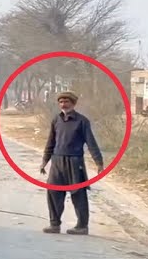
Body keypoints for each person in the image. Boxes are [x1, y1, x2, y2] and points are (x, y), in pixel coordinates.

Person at [39, 90, 104, 235]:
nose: (63, 104)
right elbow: (50, 142)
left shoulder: (82, 121)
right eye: (61, 102)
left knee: (78, 194)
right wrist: (44, 161)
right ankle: (54, 225)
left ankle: (82, 226)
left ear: (73, 103)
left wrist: (99, 162)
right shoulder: (56, 120)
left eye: (66, 102)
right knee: (53, 192)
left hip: (75, 162)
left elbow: (91, 143)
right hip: (57, 161)